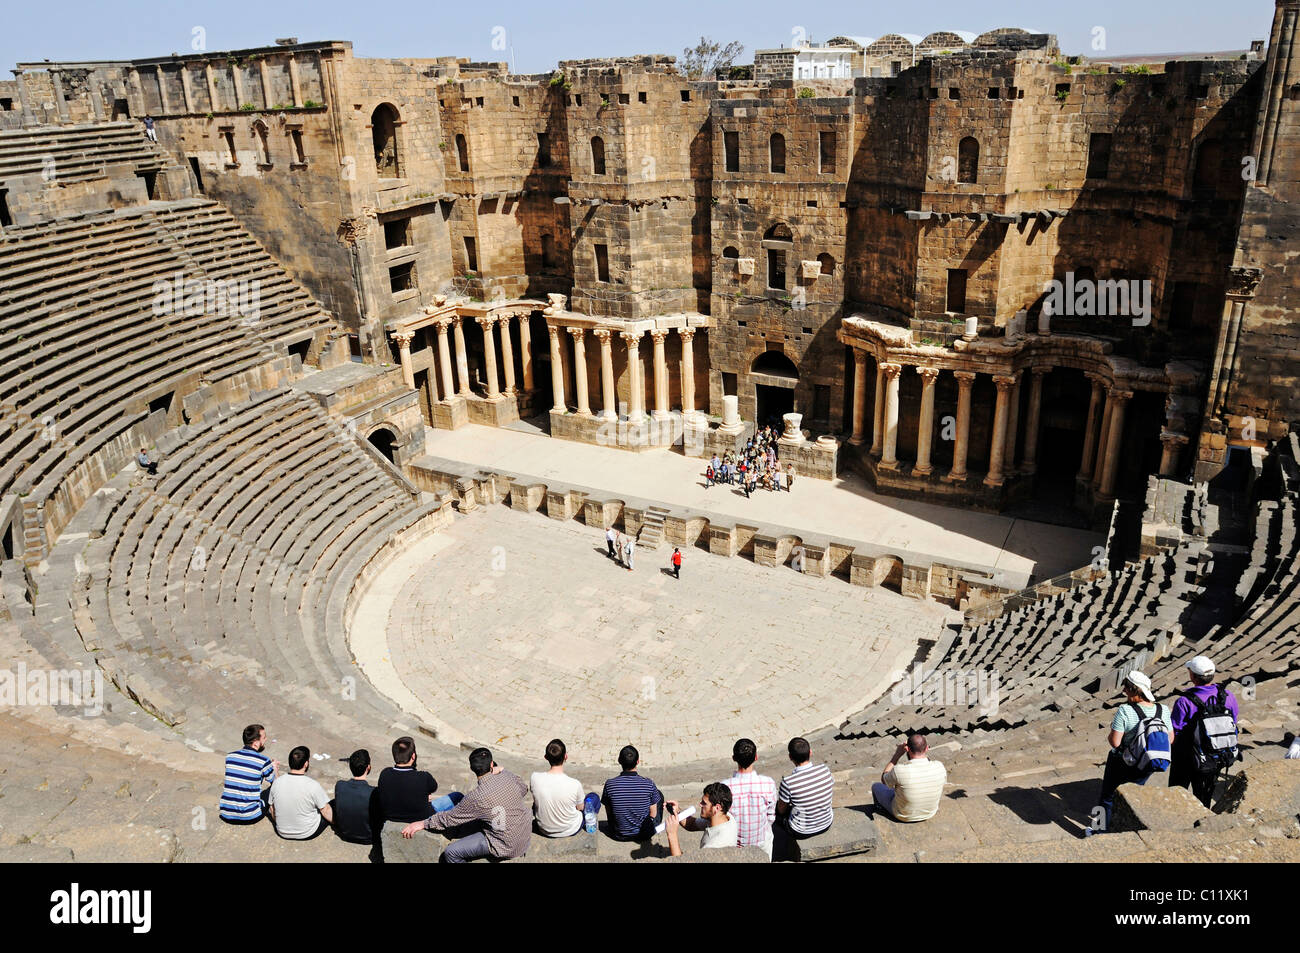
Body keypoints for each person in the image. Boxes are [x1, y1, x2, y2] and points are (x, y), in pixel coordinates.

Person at [402, 748, 531, 863]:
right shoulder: (507, 776)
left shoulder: (475, 797)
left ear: (472, 768)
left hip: (507, 845)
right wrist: (503, 770)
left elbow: (449, 819)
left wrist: (423, 823)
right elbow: (524, 789)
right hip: (525, 833)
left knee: (451, 853)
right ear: (492, 764)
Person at [1088, 671, 1173, 834]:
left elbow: (1115, 742)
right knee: (1132, 794)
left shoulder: (1125, 710)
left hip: (1122, 761)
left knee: (1107, 796)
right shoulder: (1163, 710)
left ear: (1135, 690)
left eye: (1126, 687)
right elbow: (1170, 739)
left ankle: (1099, 830)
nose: (1123, 691)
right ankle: (1124, 827)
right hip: (1147, 762)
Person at [1169, 656, 1239, 808]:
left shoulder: (1184, 701)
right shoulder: (1228, 696)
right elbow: (1234, 721)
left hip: (1186, 757)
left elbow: (1174, 731)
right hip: (1215, 756)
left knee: (1176, 793)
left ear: (1193, 676)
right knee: (1204, 798)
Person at [375, 735, 461, 824]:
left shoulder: (385, 773)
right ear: (413, 756)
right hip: (423, 818)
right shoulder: (423, 777)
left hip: (391, 817)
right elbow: (433, 787)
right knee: (457, 796)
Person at [872, 734, 947, 822]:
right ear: (927, 748)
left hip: (903, 815)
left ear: (907, 749)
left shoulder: (899, 770)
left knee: (876, 786)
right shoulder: (939, 766)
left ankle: (880, 810)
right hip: (930, 813)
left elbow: (884, 779)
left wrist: (897, 755)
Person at [268, 746, 332, 840]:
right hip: (307, 832)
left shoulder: (277, 783)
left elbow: (272, 808)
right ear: (306, 764)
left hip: (282, 831)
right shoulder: (312, 785)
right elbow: (326, 811)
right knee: (331, 804)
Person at [726, 738, 777, 857]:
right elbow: (770, 817)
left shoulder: (725, 787)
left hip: (735, 844)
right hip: (761, 841)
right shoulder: (768, 783)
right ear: (756, 757)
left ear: (734, 758)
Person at [601, 745, 663, 841]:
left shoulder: (610, 784)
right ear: (638, 762)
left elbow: (609, 812)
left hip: (618, 834)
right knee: (658, 795)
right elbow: (653, 814)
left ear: (619, 761)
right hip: (644, 835)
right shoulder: (649, 784)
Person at [220, 724, 279, 824]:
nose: (266, 739)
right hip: (250, 816)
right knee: (269, 792)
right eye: (264, 738)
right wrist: (274, 768)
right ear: (256, 743)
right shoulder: (263, 761)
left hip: (226, 814)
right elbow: (277, 784)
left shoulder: (229, 757)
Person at [775, 737, 833, 838]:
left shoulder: (788, 782)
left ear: (790, 757)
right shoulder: (825, 770)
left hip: (801, 831)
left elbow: (781, 810)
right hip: (827, 823)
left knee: (776, 809)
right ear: (810, 752)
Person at [530, 739, 586, 837]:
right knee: (593, 798)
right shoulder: (575, 784)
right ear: (566, 757)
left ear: (546, 757)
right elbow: (580, 807)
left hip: (544, 829)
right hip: (570, 828)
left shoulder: (534, 778)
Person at [665, 783, 738, 856]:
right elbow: (691, 824)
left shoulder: (715, 845)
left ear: (717, 808)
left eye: (704, 803)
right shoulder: (724, 817)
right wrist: (676, 812)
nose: (700, 804)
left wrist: (672, 835)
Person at [332, 749, 376, 845]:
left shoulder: (340, 785)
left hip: (345, 834)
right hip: (368, 838)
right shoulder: (374, 792)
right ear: (368, 767)